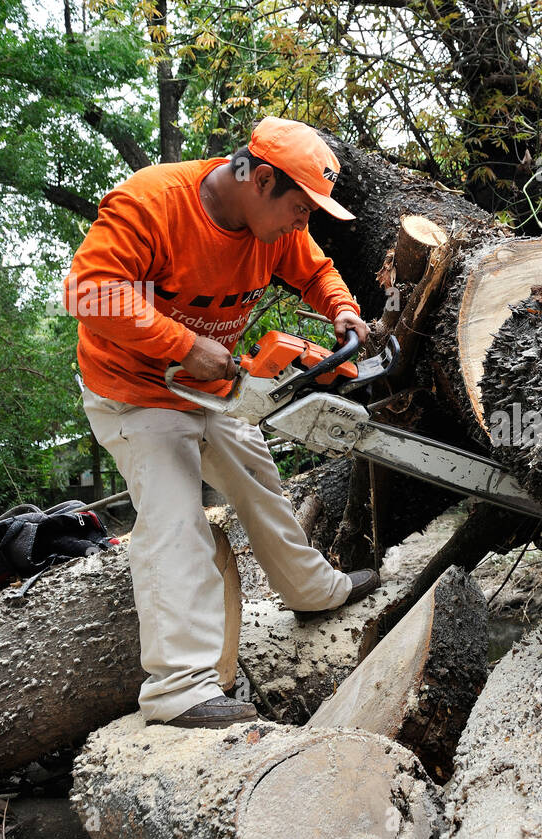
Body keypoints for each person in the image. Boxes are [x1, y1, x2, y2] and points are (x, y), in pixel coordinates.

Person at [65, 117, 380, 729]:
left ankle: (310, 589)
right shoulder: (154, 203)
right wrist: (180, 344)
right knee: (175, 522)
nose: (302, 222)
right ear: (261, 179)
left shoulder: (276, 228)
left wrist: (342, 310)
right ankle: (177, 689)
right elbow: (88, 291)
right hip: (137, 391)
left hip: (216, 389)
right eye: (298, 207)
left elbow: (315, 270)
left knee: (260, 481)